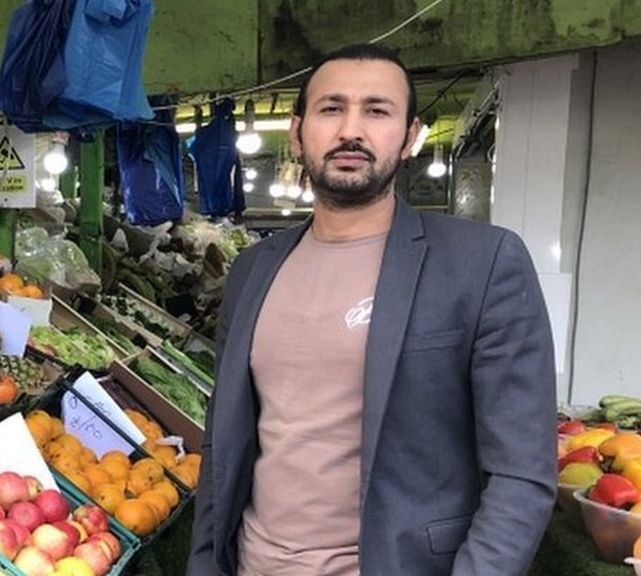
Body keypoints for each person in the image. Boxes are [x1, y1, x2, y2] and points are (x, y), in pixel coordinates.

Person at [187, 43, 557, 576]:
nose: (351, 131)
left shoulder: (481, 262)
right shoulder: (253, 270)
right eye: (331, 108)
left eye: (377, 111)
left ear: (409, 136)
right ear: (297, 132)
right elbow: (223, 441)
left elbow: (521, 473)